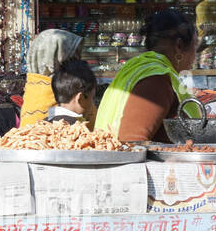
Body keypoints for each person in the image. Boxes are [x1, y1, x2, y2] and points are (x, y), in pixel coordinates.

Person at [95, 9, 197, 143]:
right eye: (195, 46)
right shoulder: (156, 79)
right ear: (179, 46)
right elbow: (132, 141)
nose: (196, 55)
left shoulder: (140, 68)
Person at [19, 28, 85, 126]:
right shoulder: (46, 95)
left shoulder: (36, 88)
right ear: (55, 57)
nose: (78, 60)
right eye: (73, 56)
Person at [43, 58, 97, 124]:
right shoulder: (77, 131)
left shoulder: (41, 125)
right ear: (81, 97)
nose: (92, 104)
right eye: (92, 98)